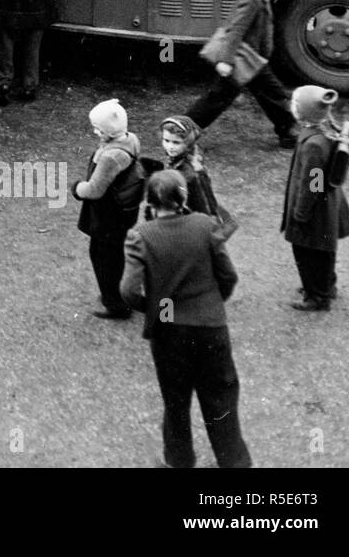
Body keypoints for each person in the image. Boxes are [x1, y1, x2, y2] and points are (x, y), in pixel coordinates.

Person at [119, 171, 252, 469]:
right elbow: (228, 276)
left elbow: (128, 291)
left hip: (169, 331)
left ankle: (178, 461)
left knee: (176, 400)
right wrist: (212, 302)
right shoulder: (205, 225)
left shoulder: (140, 235)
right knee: (221, 397)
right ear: (183, 199)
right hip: (211, 326)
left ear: (150, 202)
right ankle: (235, 463)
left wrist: (155, 308)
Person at [187, 0, 298, 149]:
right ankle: (182, 130)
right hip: (242, 58)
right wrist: (225, 61)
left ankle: (288, 132)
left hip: (252, 58)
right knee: (219, 97)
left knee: (273, 93)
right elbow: (235, 30)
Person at [282, 85, 349, 311]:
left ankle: (316, 295)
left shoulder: (314, 145)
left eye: (295, 104)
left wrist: (301, 212)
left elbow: (313, 184)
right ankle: (326, 286)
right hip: (327, 205)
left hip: (314, 209)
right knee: (324, 249)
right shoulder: (326, 130)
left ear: (302, 113)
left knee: (307, 251)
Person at [72, 99, 143, 320]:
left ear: (110, 131)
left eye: (98, 129)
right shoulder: (130, 140)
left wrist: (76, 188)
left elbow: (94, 190)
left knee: (102, 257)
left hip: (107, 215)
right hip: (123, 213)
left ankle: (115, 303)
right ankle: (127, 294)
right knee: (117, 254)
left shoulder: (111, 157)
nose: (95, 131)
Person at [158, 115, 224, 218]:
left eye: (176, 142)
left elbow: (202, 206)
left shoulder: (189, 174)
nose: (170, 147)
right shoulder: (185, 157)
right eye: (166, 140)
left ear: (188, 142)